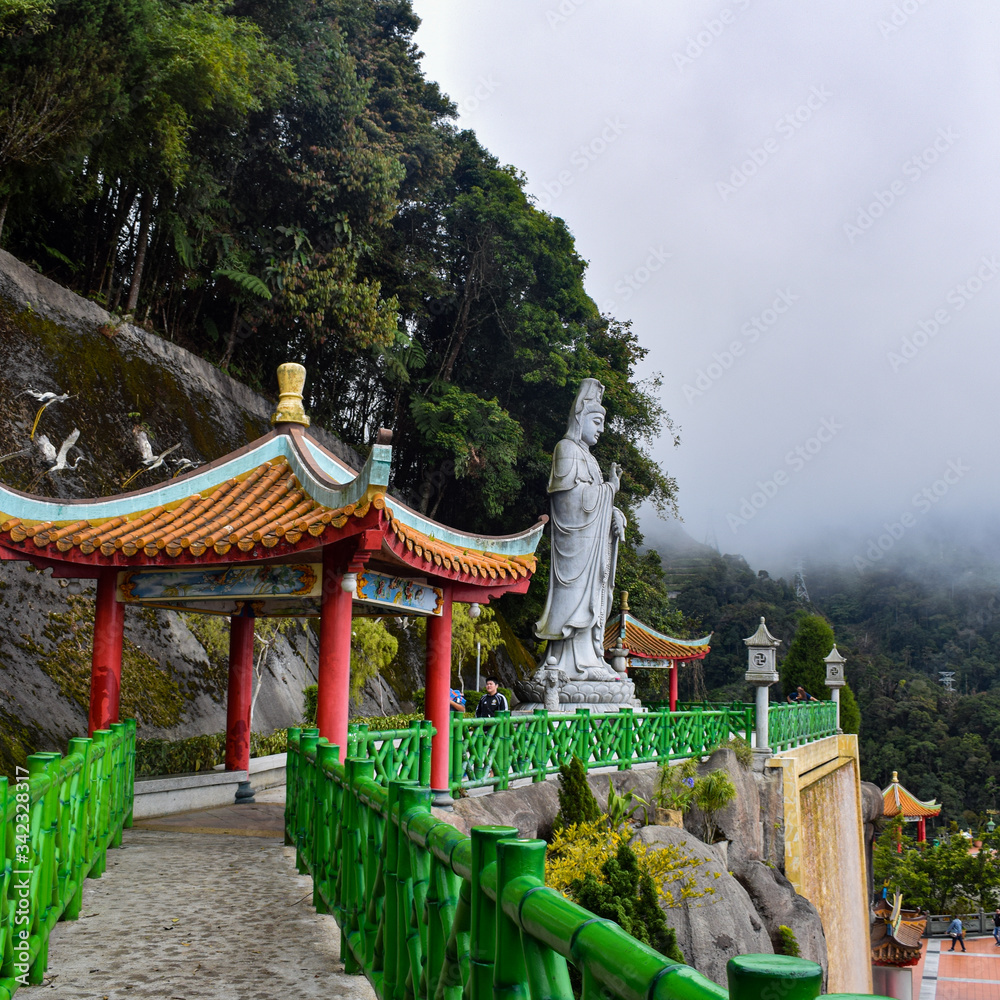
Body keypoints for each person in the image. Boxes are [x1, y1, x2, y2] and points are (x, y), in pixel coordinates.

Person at [534, 378, 626, 680]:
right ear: (580, 419)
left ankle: (589, 658)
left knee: (594, 599)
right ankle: (563, 663)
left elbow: (594, 499)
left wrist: (614, 514)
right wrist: (609, 490)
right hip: (574, 550)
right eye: (597, 421)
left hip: (591, 552)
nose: (600, 429)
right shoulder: (566, 449)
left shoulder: (591, 460)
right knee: (572, 598)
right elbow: (571, 504)